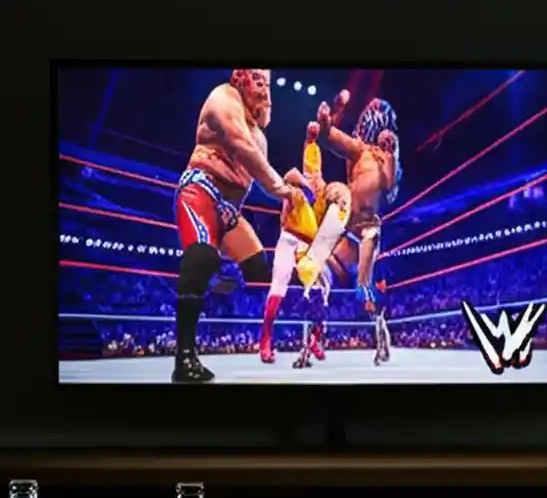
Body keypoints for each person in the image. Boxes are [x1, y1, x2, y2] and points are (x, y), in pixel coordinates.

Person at [172, 69, 303, 383]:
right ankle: (184, 358)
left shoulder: (261, 135)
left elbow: (255, 174)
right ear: (241, 79)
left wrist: (290, 187)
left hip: (230, 211)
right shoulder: (224, 97)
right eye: (258, 81)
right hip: (200, 190)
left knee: (260, 268)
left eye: (267, 84)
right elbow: (241, 146)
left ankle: (220, 272)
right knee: (202, 256)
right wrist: (282, 188)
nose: (264, 90)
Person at [315, 89, 402, 361]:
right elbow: (329, 138)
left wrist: (391, 154)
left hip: (368, 228)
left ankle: (380, 334)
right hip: (347, 227)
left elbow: (390, 188)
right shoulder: (359, 150)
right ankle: (316, 334)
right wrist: (331, 115)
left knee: (363, 285)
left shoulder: (388, 159)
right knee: (321, 271)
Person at [260, 122, 352, 364]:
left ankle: (315, 339)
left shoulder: (327, 201)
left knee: (325, 288)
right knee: (278, 286)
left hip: (310, 249)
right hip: (289, 239)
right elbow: (292, 173)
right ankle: (266, 341)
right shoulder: (296, 188)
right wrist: (310, 140)